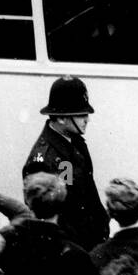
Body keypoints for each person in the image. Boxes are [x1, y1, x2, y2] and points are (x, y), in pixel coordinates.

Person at [22, 77, 109, 252]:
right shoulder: (44, 160)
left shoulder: (74, 142)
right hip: (72, 247)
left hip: (90, 240)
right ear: (61, 118)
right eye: (81, 115)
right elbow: (56, 213)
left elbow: (86, 191)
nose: (87, 120)